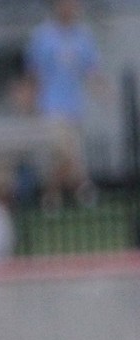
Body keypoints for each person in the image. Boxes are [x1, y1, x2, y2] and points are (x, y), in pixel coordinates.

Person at [22, 0, 108, 209]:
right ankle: (84, 187)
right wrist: (29, 101)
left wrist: (103, 90)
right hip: (51, 106)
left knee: (64, 156)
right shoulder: (43, 36)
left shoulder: (82, 36)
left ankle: (52, 195)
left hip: (74, 107)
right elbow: (33, 73)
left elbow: (91, 69)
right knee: (66, 149)